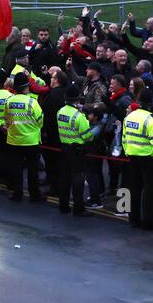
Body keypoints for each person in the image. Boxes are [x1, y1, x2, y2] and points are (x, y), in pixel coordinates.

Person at [120, 89, 153, 231]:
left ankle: (134, 219)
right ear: (150, 103)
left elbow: (124, 138)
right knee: (148, 190)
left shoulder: (129, 117)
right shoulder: (152, 120)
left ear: (138, 102)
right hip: (148, 159)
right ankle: (149, 221)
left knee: (135, 188)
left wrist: (128, 152)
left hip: (132, 157)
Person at [3, 72, 43, 202]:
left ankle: (17, 193)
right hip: (31, 142)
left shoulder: (9, 101)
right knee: (33, 170)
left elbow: (7, 119)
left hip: (14, 140)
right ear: (26, 87)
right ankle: (34, 195)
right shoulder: (32, 102)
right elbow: (40, 120)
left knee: (17, 169)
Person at [54, 84, 91, 216]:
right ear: (77, 99)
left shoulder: (60, 112)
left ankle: (63, 206)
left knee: (64, 179)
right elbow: (88, 136)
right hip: (77, 151)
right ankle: (78, 208)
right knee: (78, 179)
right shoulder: (79, 116)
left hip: (64, 149)